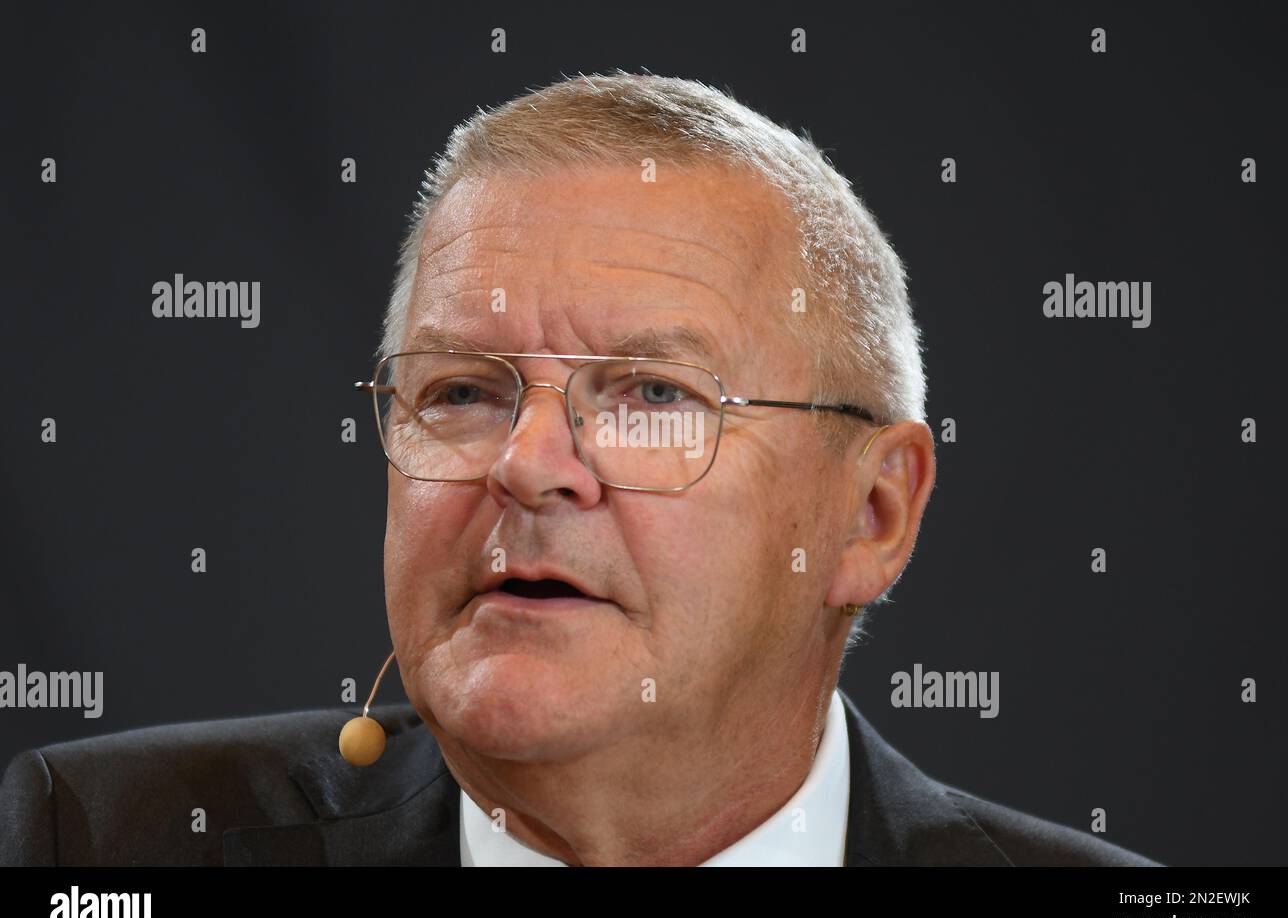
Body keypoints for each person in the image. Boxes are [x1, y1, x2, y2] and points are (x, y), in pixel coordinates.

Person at [0, 71, 1158, 867]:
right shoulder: (98, 845)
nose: (527, 465)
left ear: (872, 512)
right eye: (460, 389)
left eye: (654, 395)